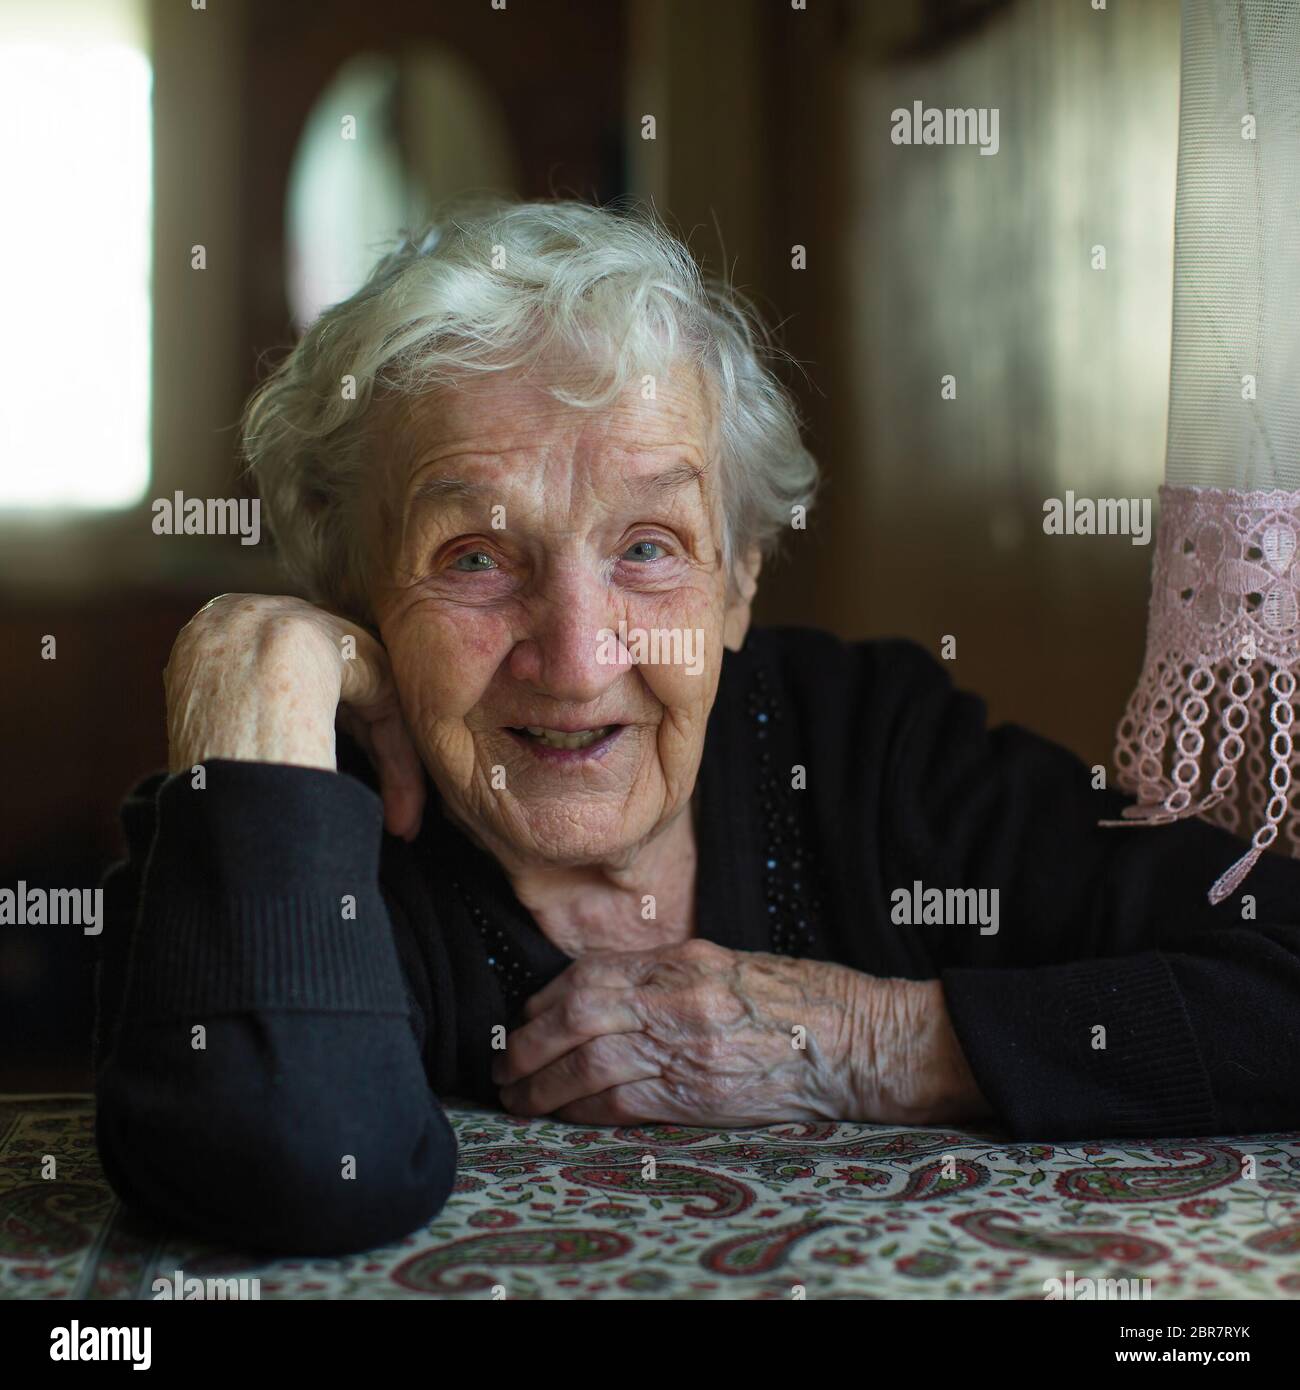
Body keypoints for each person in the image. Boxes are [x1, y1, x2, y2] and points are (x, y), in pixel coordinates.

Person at [93, 197, 1300, 1256]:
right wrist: (260, 673)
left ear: (740, 583)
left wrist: (879, 1041)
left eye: (649, 549)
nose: (576, 654)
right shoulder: (295, 810)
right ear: (358, 594)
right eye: (471, 557)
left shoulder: (866, 746)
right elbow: (286, 1169)